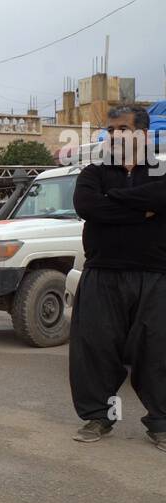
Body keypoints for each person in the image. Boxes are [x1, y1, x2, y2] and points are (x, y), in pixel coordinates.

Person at [69, 104, 166, 452]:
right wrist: (144, 211)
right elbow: (87, 207)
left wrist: (115, 202)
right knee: (95, 347)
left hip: (153, 275)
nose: (114, 136)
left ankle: (161, 423)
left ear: (141, 132)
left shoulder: (160, 171)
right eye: (110, 131)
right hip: (102, 274)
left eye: (121, 129)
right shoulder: (94, 174)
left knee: (156, 350)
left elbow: (162, 196)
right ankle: (98, 417)